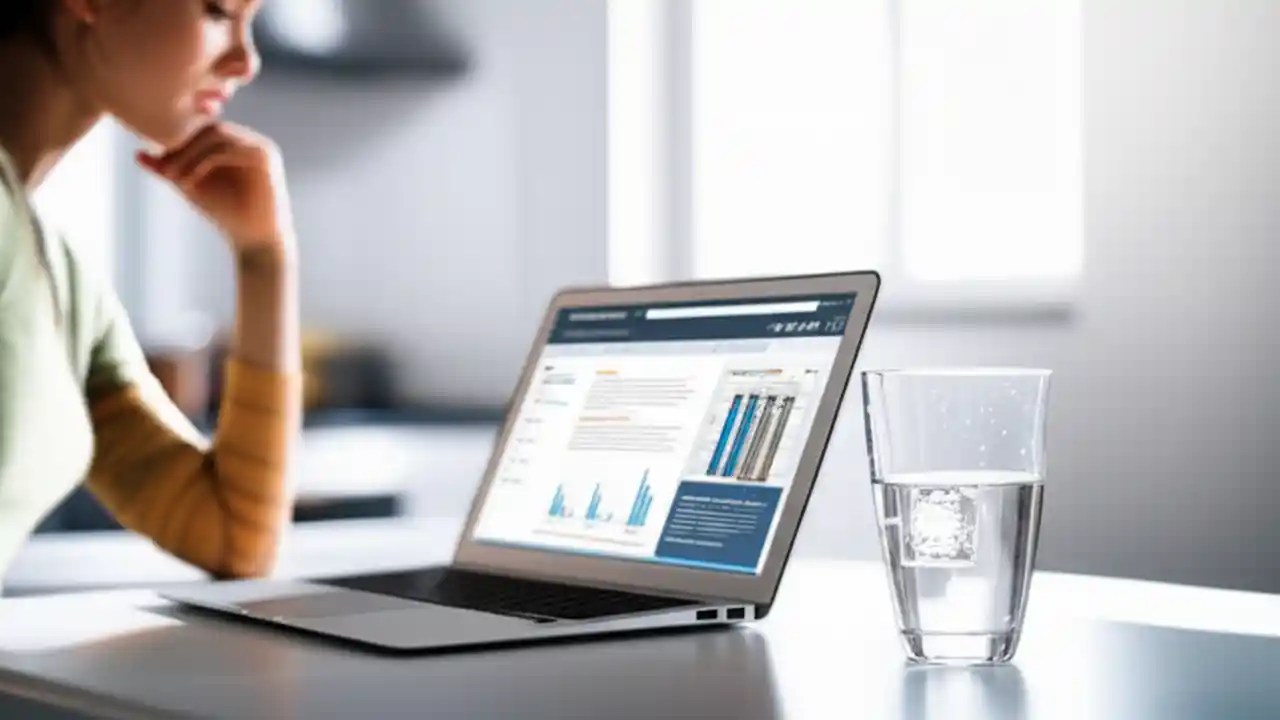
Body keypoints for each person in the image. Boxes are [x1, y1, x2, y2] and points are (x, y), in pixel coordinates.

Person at [0, 0, 301, 583]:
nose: (246, 60)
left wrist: (266, 258)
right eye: (219, 12)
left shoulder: (59, 275)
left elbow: (235, 538)